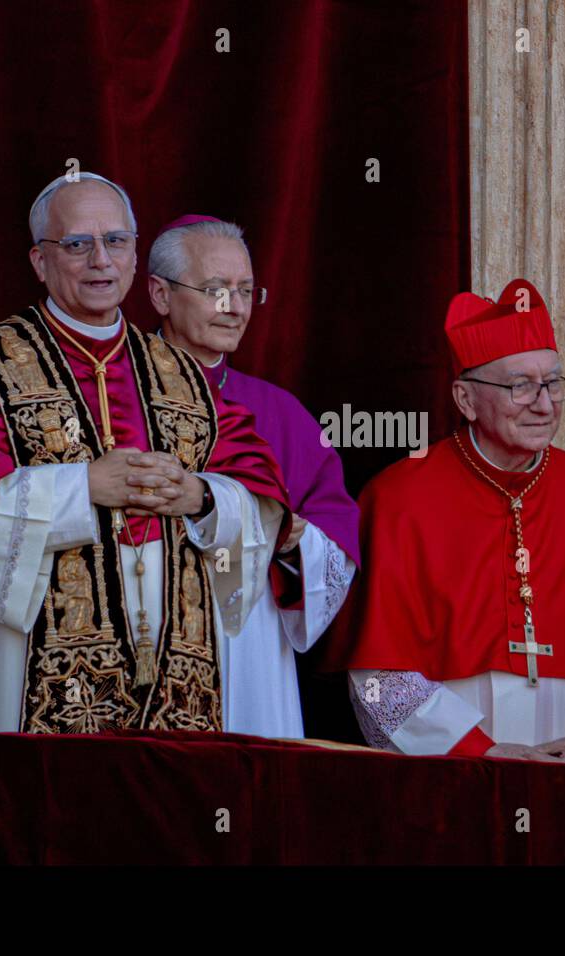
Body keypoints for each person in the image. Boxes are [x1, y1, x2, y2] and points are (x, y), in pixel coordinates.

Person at [0, 172, 290, 734]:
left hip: (178, 667)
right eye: (77, 244)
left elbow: (260, 497)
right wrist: (83, 488)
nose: (100, 260)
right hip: (39, 661)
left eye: (117, 241)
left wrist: (200, 496)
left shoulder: (181, 372)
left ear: (135, 257)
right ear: (40, 261)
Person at [325, 279, 565, 761]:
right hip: (446, 775)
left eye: (552, 383)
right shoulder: (398, 499)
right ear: (464, 399)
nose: (543, 404)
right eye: (520, 386)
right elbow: (377, 682)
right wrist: (478, 752)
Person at [147, 214, 359, 737]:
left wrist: (292, 542)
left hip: (247, 655)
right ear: (160, 294)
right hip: (140, 641)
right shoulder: (107, 393)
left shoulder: (281, 414)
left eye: (245, 291)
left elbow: (335, 541)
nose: (235, 307)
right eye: (215, 289)